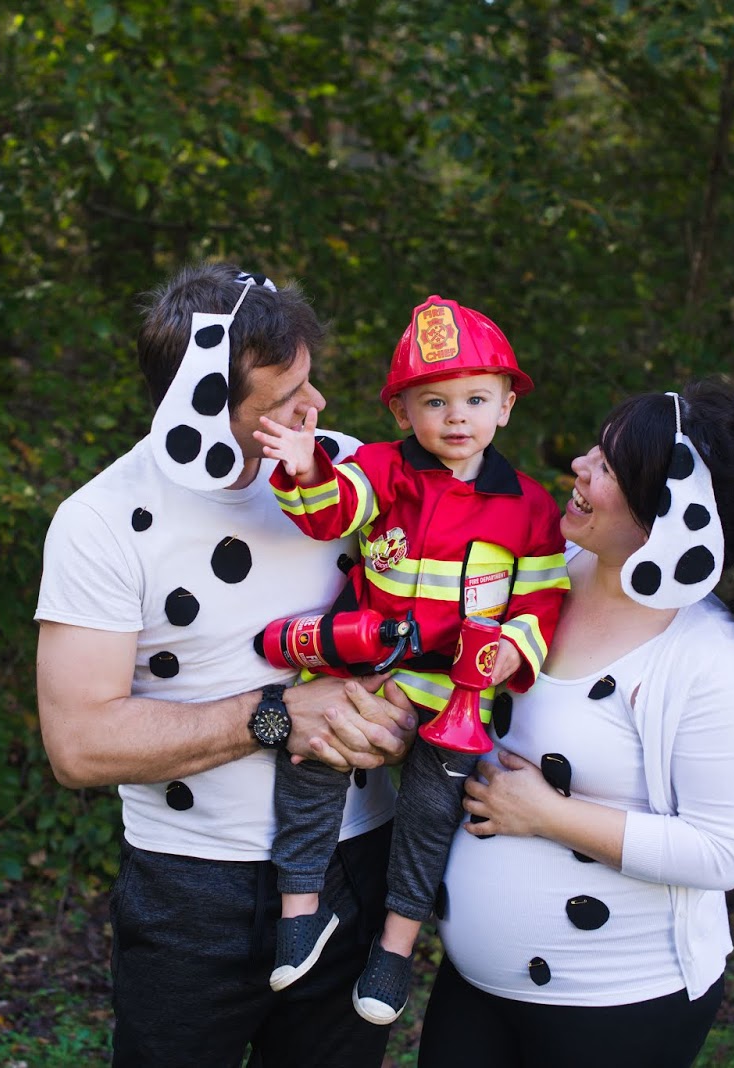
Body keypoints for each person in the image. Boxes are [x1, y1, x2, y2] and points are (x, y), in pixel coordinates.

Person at [34, 262, 418, 1068]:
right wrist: (277, 715)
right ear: (202, 407)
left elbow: (444, 610)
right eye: (284, 401)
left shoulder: (351, 474)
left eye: (310, 383)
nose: (315, 410)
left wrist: (406, 711)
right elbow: (79, 744)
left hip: (356, 862)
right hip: (191, 891)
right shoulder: (101, 521)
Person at [418, 379, 734, 1068]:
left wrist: (549, 816)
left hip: (618, 1004)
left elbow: (721, 853)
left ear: (664, 520)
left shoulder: (708, 659)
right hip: (475, 984)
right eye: (597, 450)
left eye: (607, 468)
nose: (580, 465)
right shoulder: (547, 569)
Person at [251, 295, 569, 1026]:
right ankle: (301, 908)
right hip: (371, 666)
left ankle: (395, 949)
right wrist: (305, 471)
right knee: (312, 758)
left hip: (456, 688)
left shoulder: (528, 506)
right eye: (435, 402)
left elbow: (544, 595)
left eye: (476, 399)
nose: (456, 417)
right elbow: (334, 510)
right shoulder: (384, 468)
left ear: (507, 406)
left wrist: (511, 650)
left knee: (431, 815)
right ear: (403, 415)